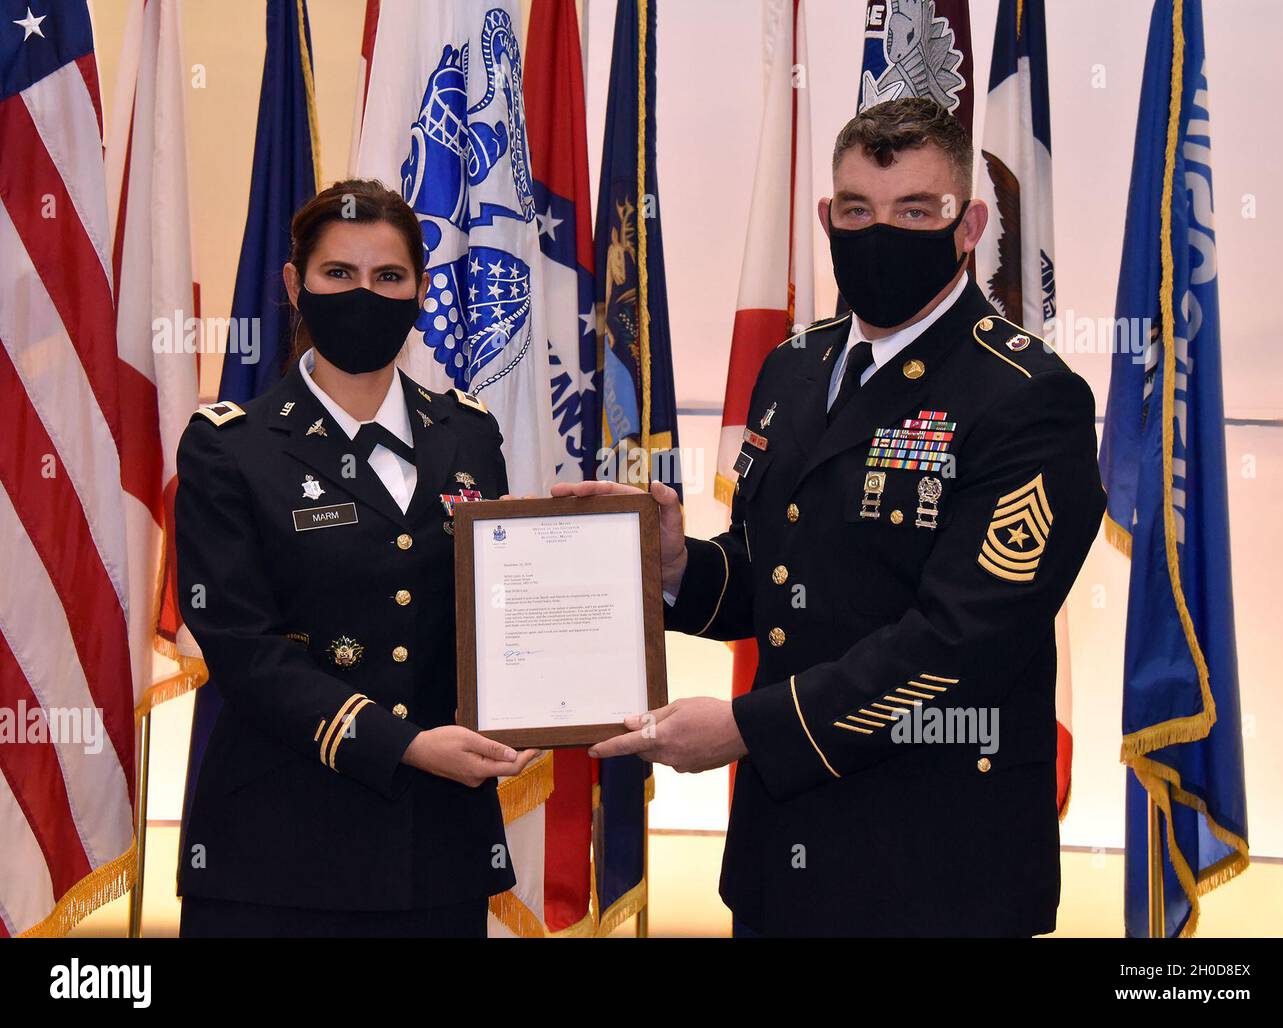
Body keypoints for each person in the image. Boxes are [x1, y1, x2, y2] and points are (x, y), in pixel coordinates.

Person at [556, 98, 1106, 937]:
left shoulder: (1029, 399)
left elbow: (961, 645)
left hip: (941, 867)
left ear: (969, 226)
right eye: (858, 211)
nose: (881, 232)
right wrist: (672, 566)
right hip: (786, 853)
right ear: (827, 217)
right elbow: (777, 575)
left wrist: (745, 728)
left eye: (915, 211)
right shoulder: (795, 367)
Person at [174, 179, 536, 937]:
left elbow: (496, 610)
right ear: (294, 284)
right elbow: (242, 651)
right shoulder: (230, 446)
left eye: (389, 277)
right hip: (279, 853)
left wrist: (544, 697)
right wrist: (400, 744)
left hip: (436, 847)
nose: (364, 294)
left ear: (421, 290)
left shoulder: (469, 436)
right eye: (339, 274)